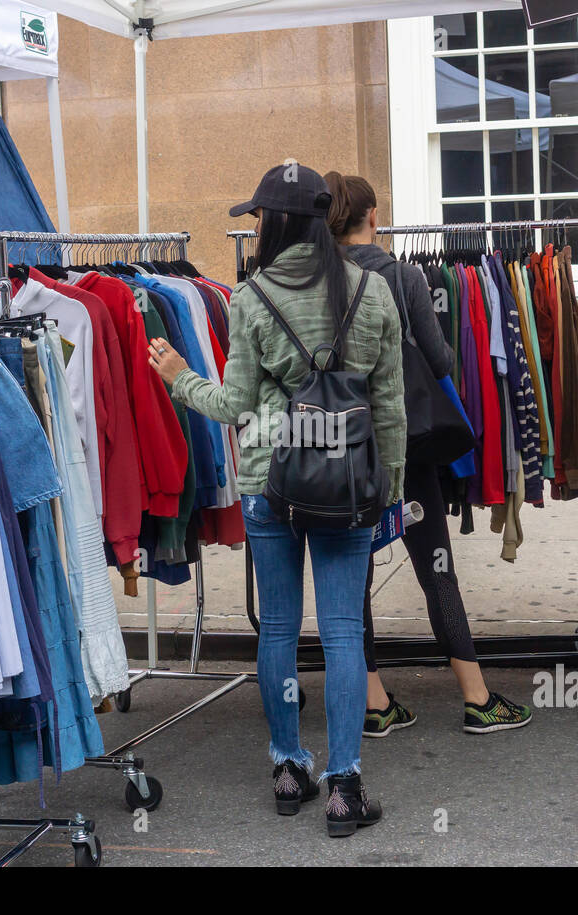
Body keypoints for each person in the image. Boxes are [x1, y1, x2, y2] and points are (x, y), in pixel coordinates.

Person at [147, 162, 406, 837]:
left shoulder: (252, 298)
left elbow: (234, 406)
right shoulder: (372, 291)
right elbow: (390, 409)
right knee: (345, 631)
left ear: (279, 222)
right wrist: (392, 489)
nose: (253, 226)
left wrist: (180, 378)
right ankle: (345, 787)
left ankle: (290, 767)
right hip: (351, 485)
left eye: (257, 216)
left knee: (281, 631)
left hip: (272, 485)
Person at [324, 171, 533, 737]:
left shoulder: (312, 279)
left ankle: (375, 704)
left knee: (353, 571)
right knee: (435, 564)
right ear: (374, 217)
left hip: (337, 447)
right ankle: (477, 698)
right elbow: (439, 360)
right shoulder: (401, 275)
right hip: (402, 445)